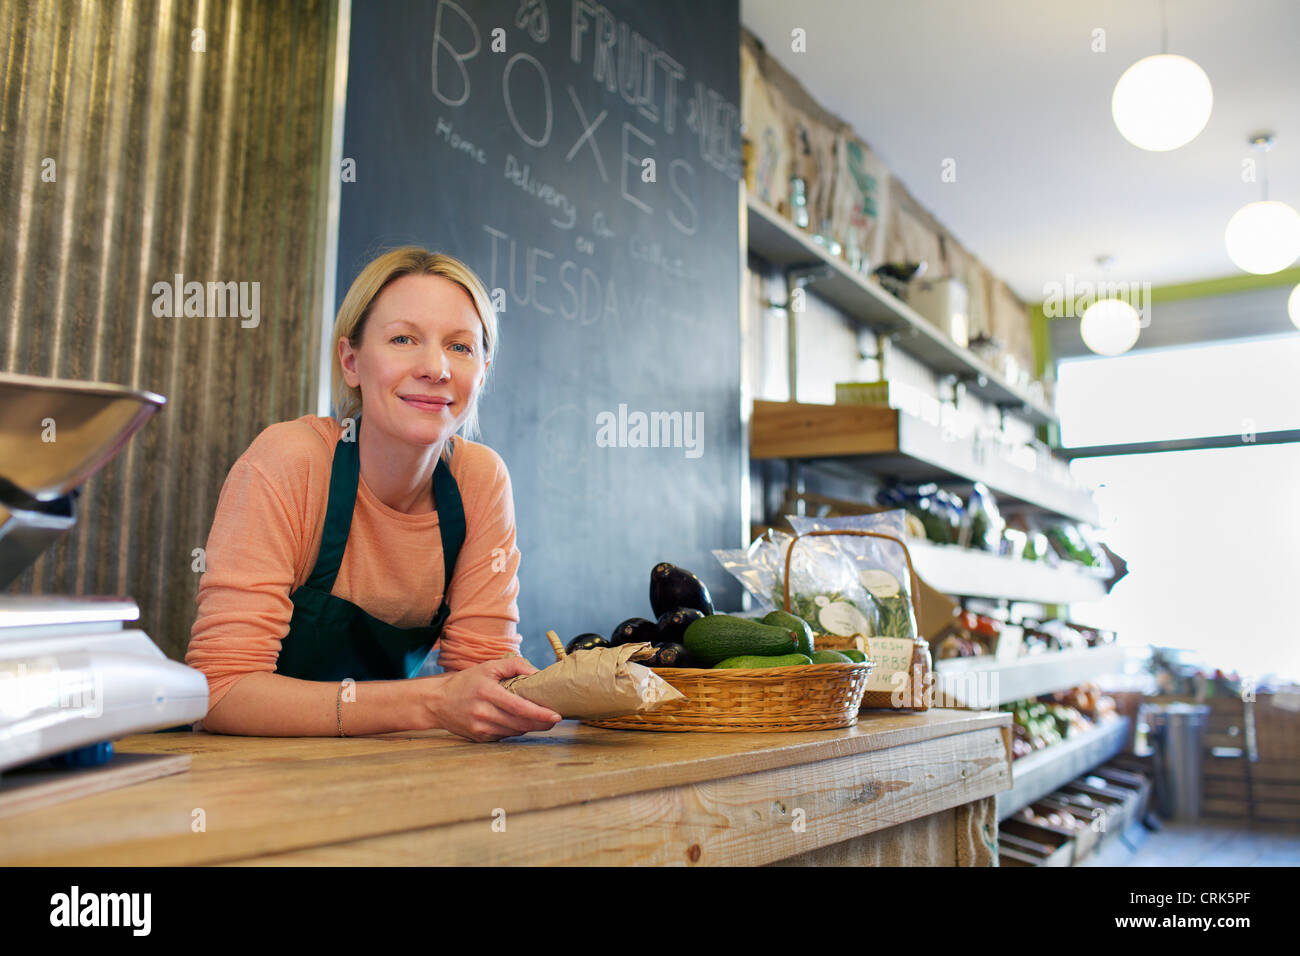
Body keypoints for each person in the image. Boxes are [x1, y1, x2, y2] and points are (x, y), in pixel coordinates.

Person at [186, 247, 561, 742]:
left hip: (380, 772)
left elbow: (482, 673)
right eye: (403, 339)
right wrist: (431, 701)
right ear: (351, 361)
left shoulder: (479, 482)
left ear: (482, 372)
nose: (435, 367)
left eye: (461, 347)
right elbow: (220, 691)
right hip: (249, 782)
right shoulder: (291, 462)